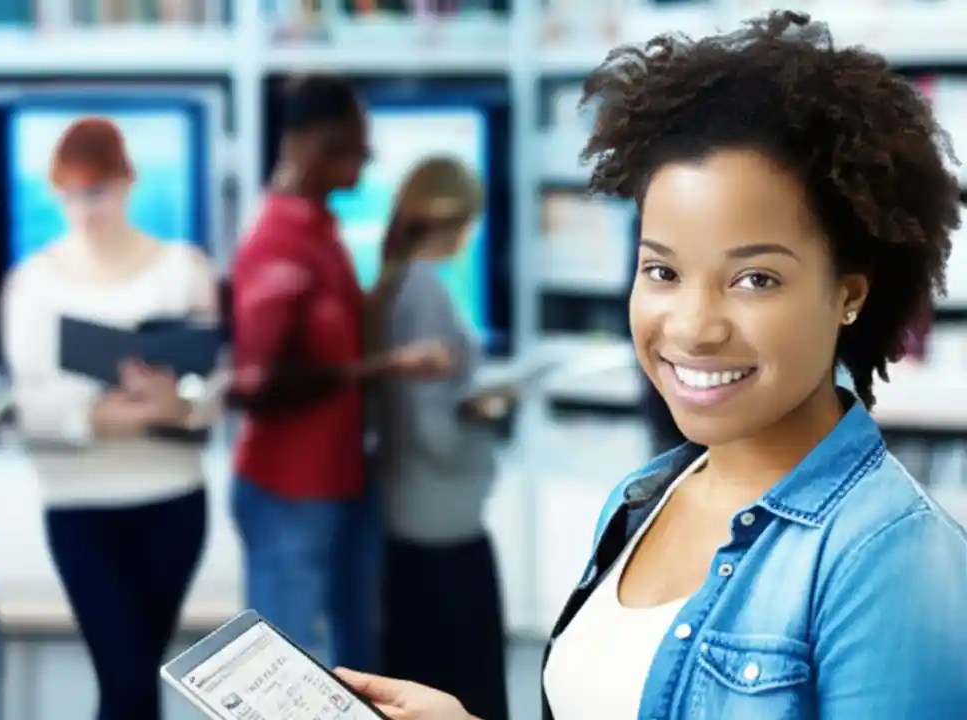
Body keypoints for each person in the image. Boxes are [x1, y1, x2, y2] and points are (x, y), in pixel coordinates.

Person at [341, 11, 967, 719]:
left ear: (848, 294)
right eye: (662, 271)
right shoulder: (639, 501)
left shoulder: (893, 563)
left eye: (754, 279)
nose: (693, 328)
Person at [228, 74, 451, 671]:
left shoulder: (321, 226)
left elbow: (338, 335)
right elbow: (259, 384)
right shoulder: (275, 241)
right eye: (351, 146)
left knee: (356, 665)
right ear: (308, 145)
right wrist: (387, 365)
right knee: (281, 678)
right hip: (290, 491)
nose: (362, 161)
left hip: (343, 479)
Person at [1, 117, 217, 720]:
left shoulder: (183, 268)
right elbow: (26, 408)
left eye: (97, 191)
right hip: (80, 505)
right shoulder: (33, 283)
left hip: (170, 497)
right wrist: (99, 416)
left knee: (138, 675)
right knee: (122, 673)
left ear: (127, 183)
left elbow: (215, 385)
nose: (85, 208)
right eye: (71, 194)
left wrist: (179, 406)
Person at [365, 157, 508, 720]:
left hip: (415, 507)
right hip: (440, 515)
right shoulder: (424, 291)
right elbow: (430, 424)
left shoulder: (398, 284)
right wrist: (480, 415)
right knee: (459, 680)